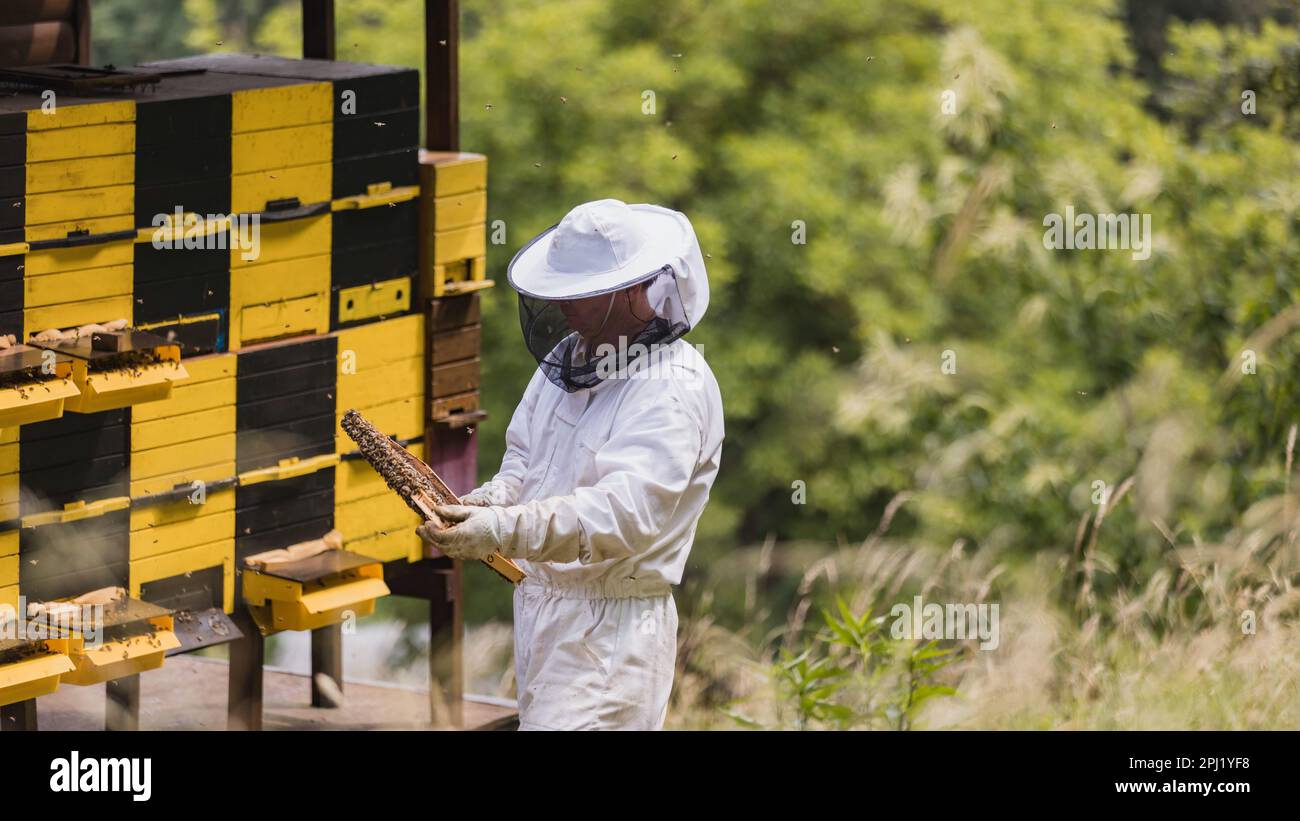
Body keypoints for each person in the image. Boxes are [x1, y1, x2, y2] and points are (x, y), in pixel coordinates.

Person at [417, 198, 724, 730]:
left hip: (612, 633)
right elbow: (524, 461)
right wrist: (489, 502)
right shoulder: (572, 360)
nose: (563, 307)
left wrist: (501, 529)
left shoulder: (672, 387)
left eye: (579, 294)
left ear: (630, 290)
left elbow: (621, 517)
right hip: (544, 610)